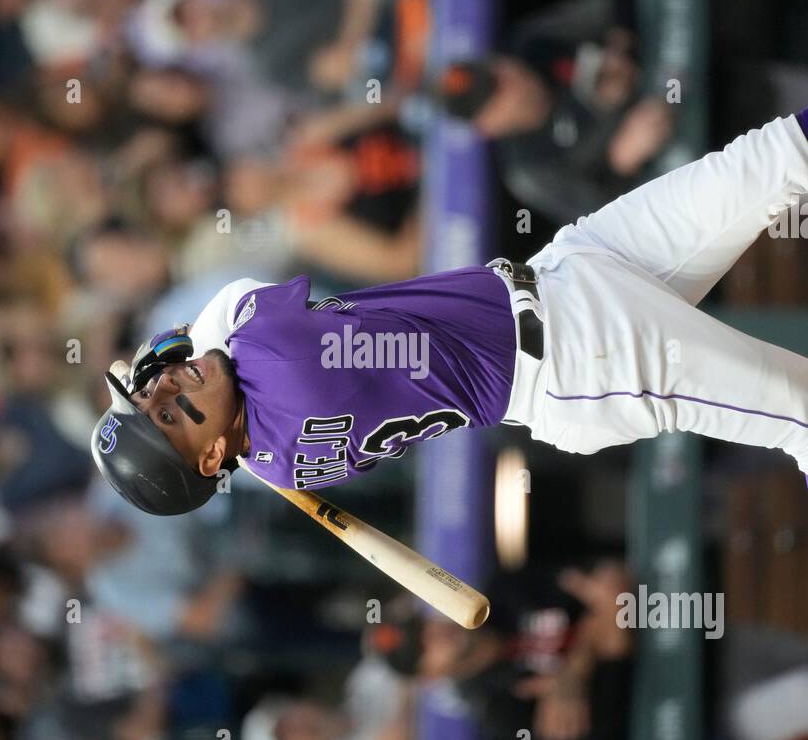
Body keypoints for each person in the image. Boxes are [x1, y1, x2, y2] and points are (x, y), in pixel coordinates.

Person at [91, 109, 808, 514]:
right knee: (796, 406)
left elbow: (217, 367)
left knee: (774, 157)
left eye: (153, 391)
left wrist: (169, 385)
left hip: (567, 275)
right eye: (164, 412)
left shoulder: (278, 457)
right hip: (585, 358)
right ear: (213, 455)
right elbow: (228, 304)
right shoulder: (276, 363)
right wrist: (163, 347)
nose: (166, 386)